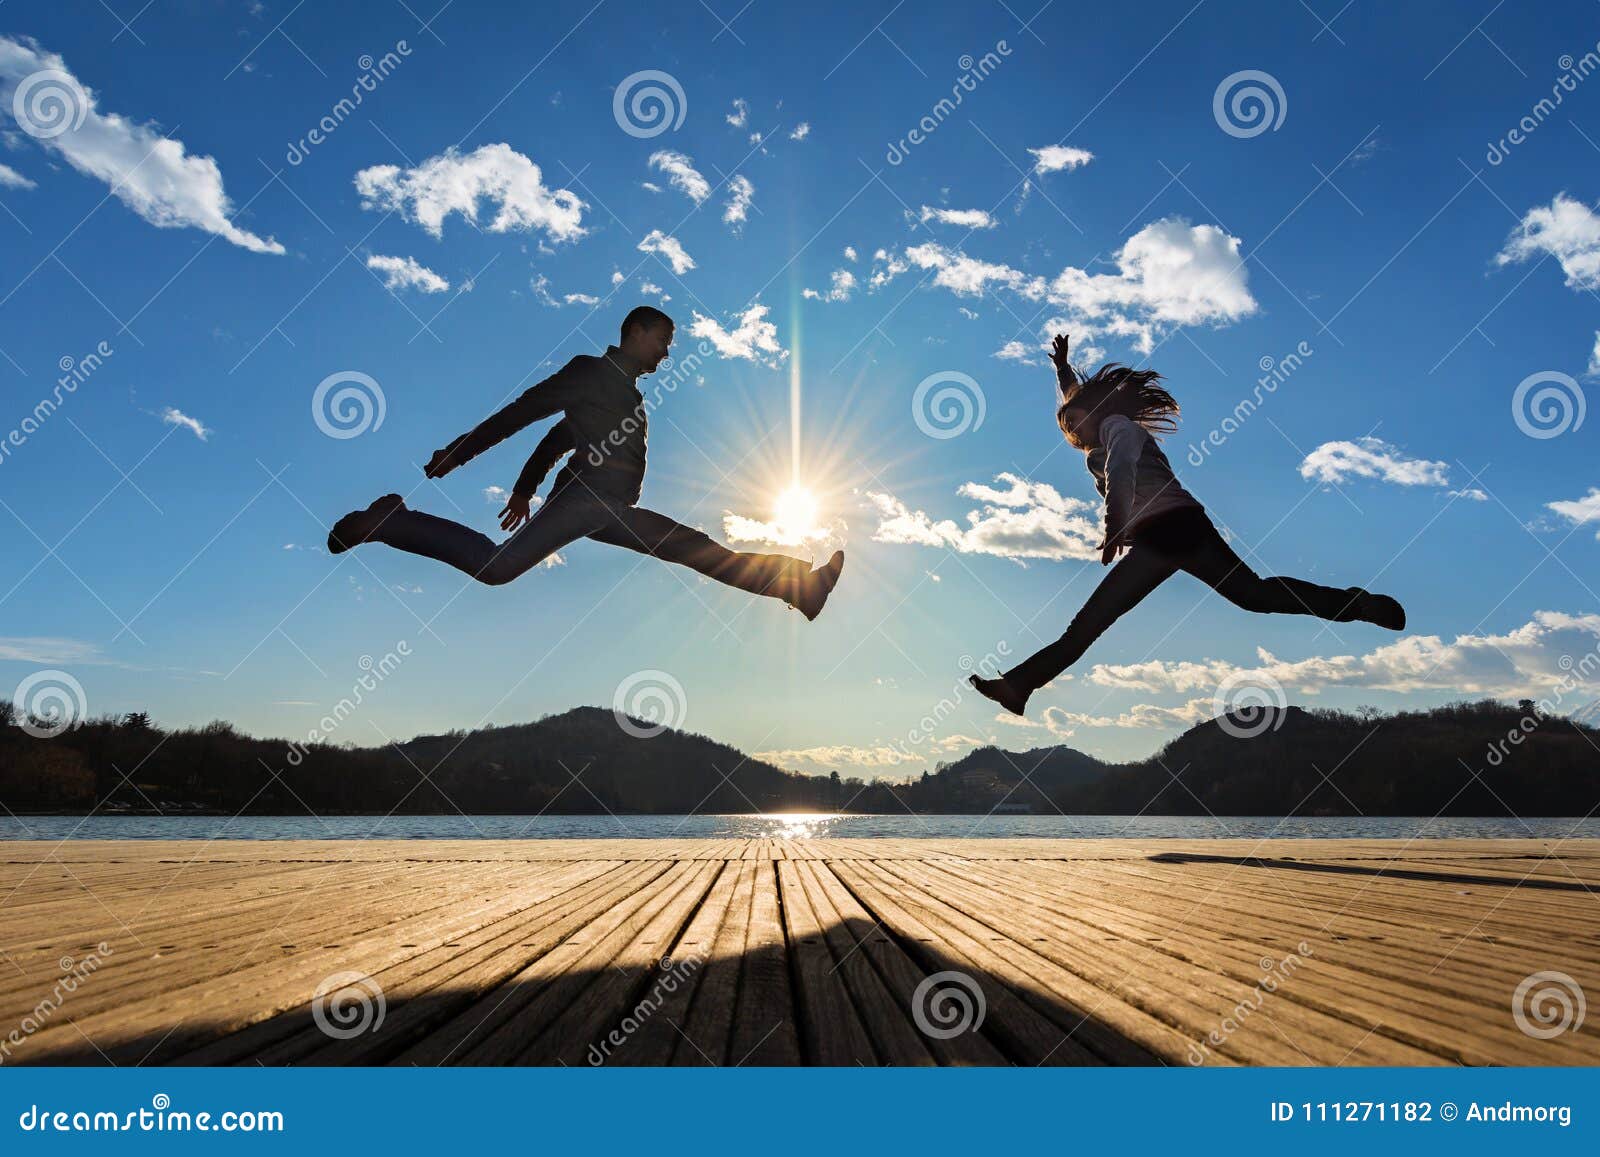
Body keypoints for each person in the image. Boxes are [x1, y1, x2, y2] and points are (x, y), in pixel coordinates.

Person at [969, 333, 1405, 717]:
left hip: (1176, 528)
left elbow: (1122, 471)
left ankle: (1356, 605)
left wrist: (1115, 525)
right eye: (1067, 423)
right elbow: (1078, 400)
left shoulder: (1119, 428)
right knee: (1246, 597)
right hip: (1160, 539)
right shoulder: (1101, 435)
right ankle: (1018, 687)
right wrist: (1063, 370)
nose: (1071, 427)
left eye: (1074, 419)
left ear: (1095, 412)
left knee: (1238, 599)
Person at [327, 306, 845, 619]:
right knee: (498, 566)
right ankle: (390, 523)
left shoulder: (625, 396)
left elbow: (559, 437)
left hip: (607, 508)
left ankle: (798, 589)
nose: (666, 353)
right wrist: (459, 453)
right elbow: (523, 413)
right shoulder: (590, 373)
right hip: (586, 502)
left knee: (693, 549)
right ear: (638, 333)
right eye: (663, 340)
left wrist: (525, 487)